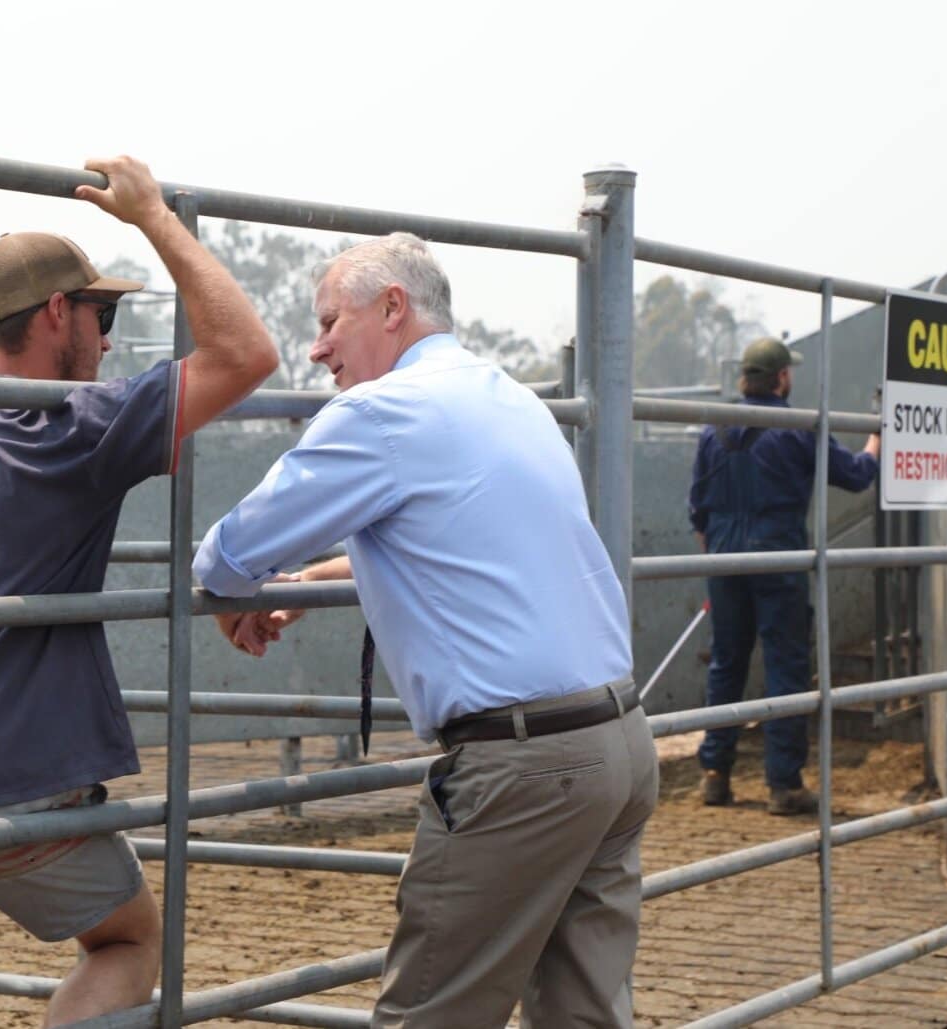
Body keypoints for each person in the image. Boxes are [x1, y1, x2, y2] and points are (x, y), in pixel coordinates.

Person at [0, 156, 278, 1028]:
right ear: (56, 315)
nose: (108, 340)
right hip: (0, 779)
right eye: (101, 314)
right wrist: (153, 215)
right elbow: (246, 353)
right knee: (129, 943)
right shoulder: (74, 426)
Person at [193, 232, 659, 1028]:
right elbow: (472, 543)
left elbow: (229, 552)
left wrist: (241, 586)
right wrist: (319, 577)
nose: (316, 348)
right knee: (582, 1014)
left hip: (522, 766)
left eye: (329, 320)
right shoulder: (509, 398)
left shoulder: (382, 412)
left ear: (392, 307)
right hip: (615, 739)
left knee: (430, 1013)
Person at [689, 336, 880, 815]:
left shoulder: (715, 428)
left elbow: (697, 508)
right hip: (778, 558)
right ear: (781, 378)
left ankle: (714, 774)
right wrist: (877, 437)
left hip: (724, 557)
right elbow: (856, 475)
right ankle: (784, 785)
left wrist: (715, 547)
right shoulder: (796, 427)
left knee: (727, 662)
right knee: (785, 665)